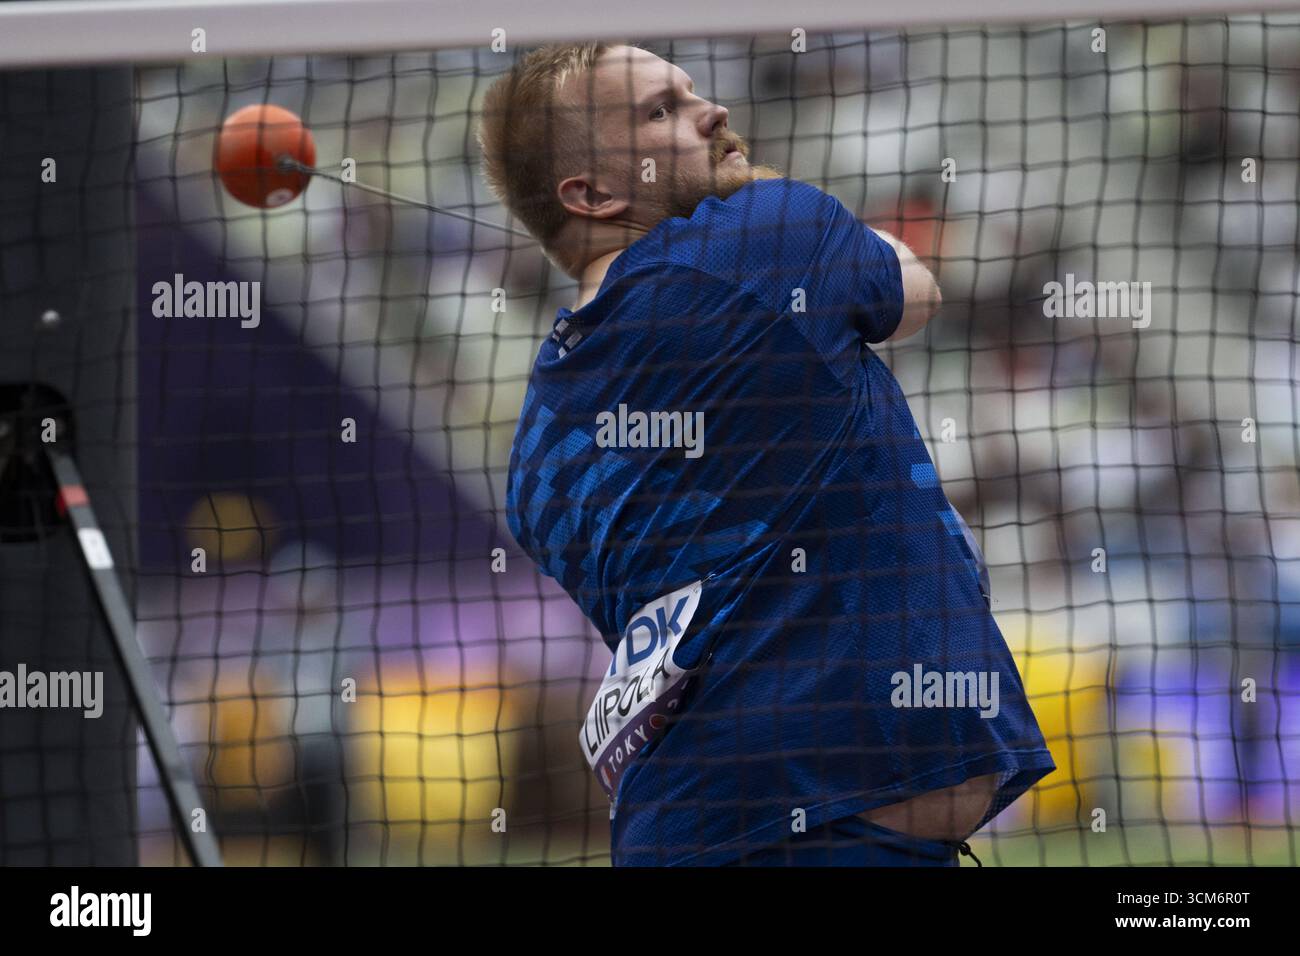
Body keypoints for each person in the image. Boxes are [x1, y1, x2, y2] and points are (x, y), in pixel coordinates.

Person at [478, 41, 1054, 866]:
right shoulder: (755, 238)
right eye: (661, 111)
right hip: (812, 832)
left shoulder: (535, 447)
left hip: (696, 828)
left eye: (688, 89)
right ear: (595, 192)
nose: (711, 111)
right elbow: (914, 290)